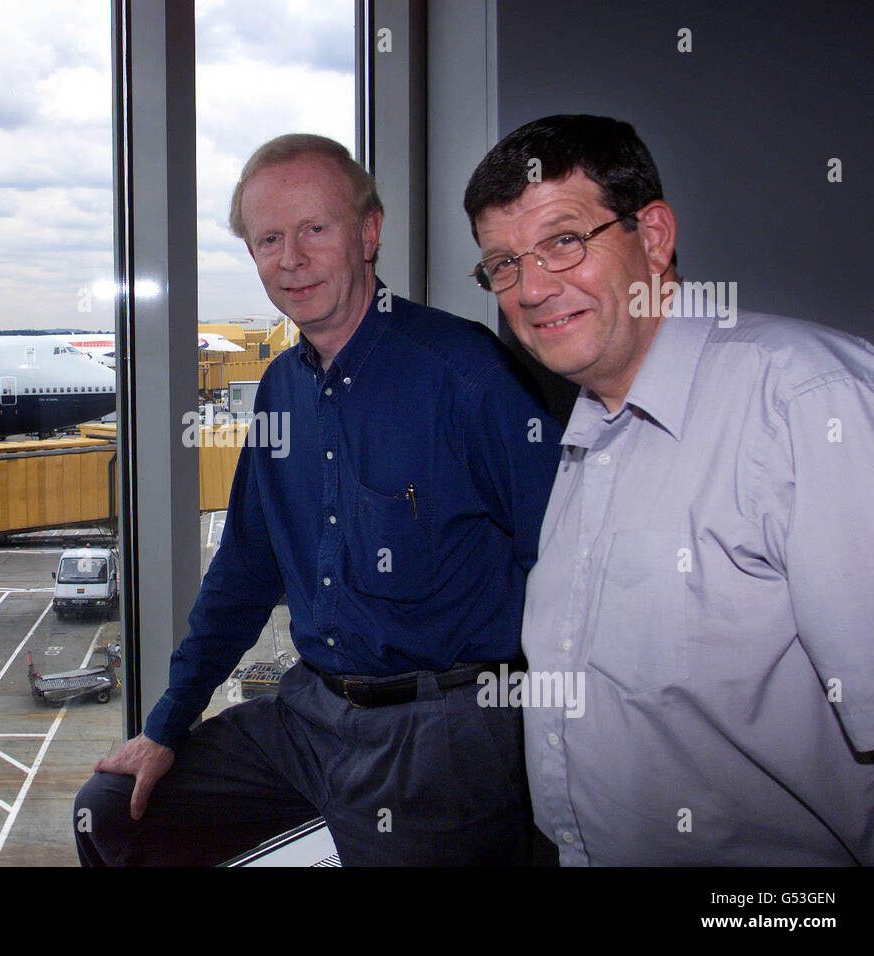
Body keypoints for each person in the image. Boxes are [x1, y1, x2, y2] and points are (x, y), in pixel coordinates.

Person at [74, 134, 562, 866]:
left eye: (314, 229)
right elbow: (243, 573)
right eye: (269, 238)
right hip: (312, 717)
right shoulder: (280, 389)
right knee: (111, 814)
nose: (291, 258)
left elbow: (566, 574)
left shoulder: (468, 376)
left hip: (436, 737)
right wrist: (166, 725)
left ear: (369, 232)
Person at [463, 114, 874, 865]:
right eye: (502, 264)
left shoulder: (804, 400)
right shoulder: (586, 431)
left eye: (564, 241)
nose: (531, 288)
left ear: (654, 236)